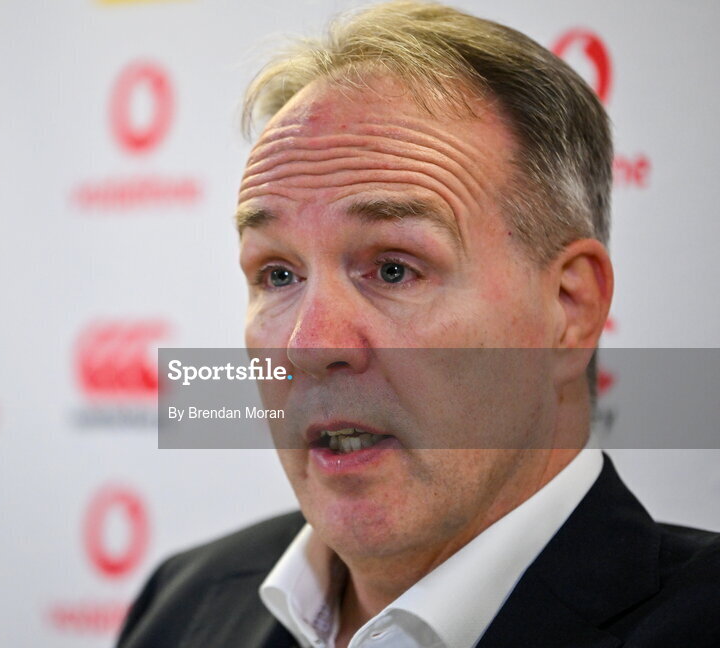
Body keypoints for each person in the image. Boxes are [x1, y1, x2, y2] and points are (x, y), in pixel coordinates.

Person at [117, 2, 720, 647]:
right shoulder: (181, 605)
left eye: (394, 269)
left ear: (569, 307)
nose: (310, 345)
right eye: (278, 276)